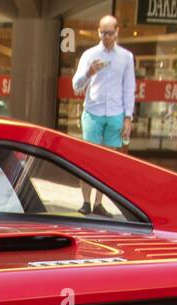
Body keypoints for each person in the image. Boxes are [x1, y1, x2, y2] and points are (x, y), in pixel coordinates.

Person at [71, 14, 135, 216]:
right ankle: (85, 202)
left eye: (110, 33)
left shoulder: (126, 57)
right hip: (93, 112)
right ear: (98, 32)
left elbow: (128, 88)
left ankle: (99, 203)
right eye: (103, 33)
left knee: (106, 162)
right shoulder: (90, 55)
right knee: (88, 160)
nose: (106, 37)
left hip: (115, 113)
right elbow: (76, 86)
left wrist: (128, 117)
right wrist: (90, 72)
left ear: (117, 32)